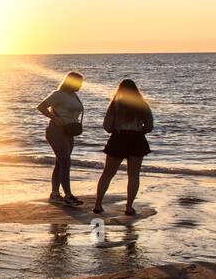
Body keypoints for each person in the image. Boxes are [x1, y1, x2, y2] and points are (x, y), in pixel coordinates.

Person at [93, 79, 154, 217]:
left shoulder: (115, 105)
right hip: (136, 139)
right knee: (133, 175)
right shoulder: (142, 104)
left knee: (107, 173)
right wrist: (139, 130)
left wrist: (117, 128)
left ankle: (97, 205)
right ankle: (129, 207)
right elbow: (149, 126)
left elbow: (107, 127)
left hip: (118, 139)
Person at [37, 71, 85, 206]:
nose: (81, 84)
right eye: (79, 82)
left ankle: (55, 193)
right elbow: (41, 107)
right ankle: (68, 195)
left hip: (69, 131)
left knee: (60, 163)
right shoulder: (58, 94)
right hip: (56, 131)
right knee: (65, 163)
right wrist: (55, 118)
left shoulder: (73, 95)